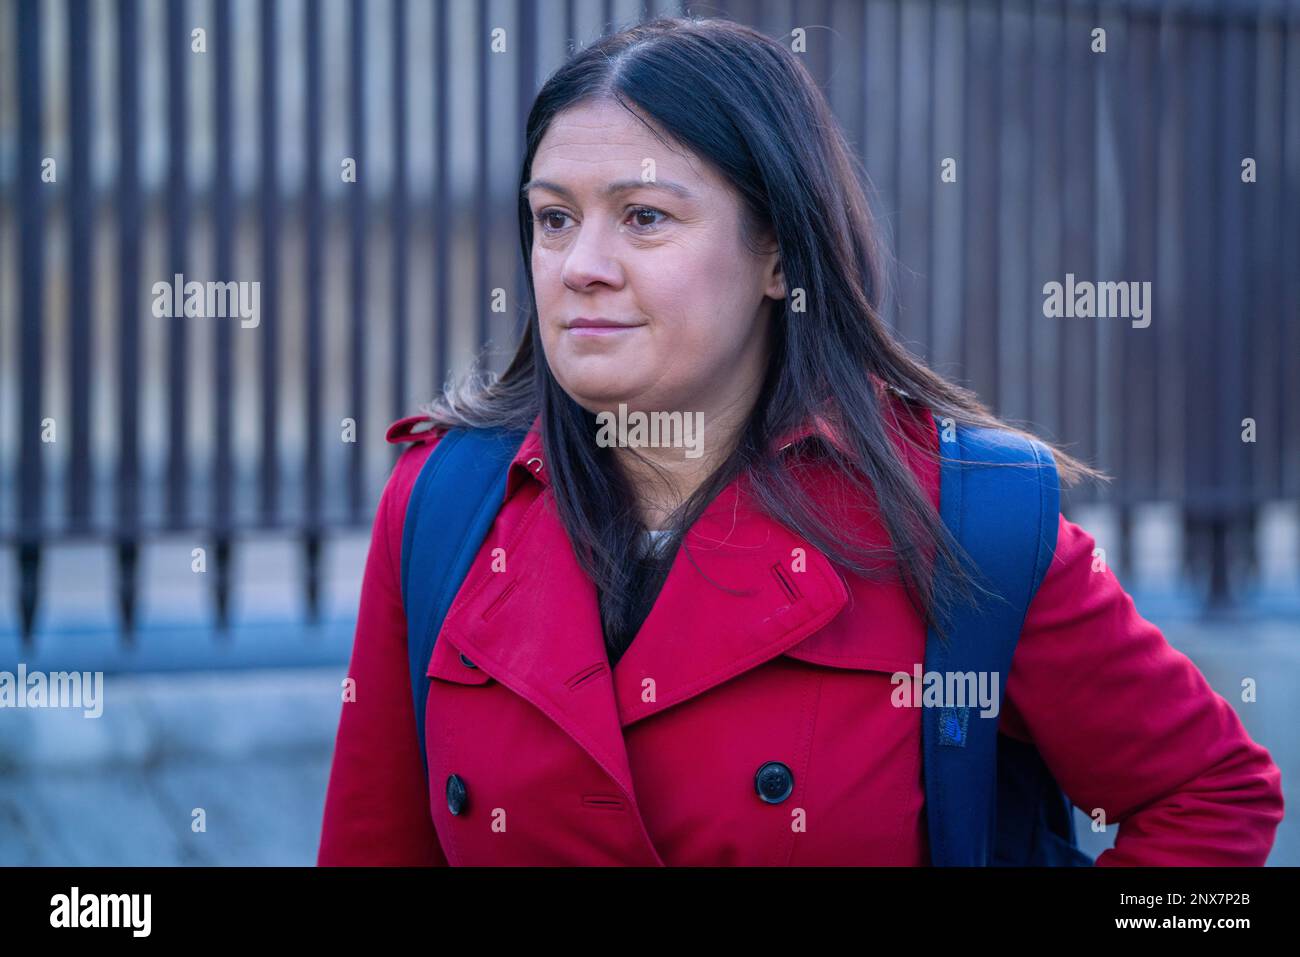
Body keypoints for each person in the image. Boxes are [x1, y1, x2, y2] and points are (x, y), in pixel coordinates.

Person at [317, 16, 1282, 866]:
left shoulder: (960, 515)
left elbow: (1212, 795)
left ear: (779, 254)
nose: (582, 267)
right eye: (553, 218)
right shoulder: (443, 501)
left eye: (644, 218)